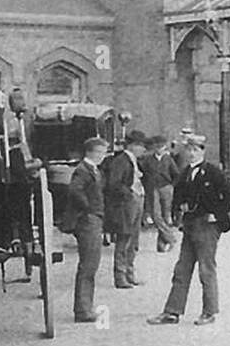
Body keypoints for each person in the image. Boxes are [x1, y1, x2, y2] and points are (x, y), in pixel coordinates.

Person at [148, 133, 230, 327]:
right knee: (182, 269)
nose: (191, 153)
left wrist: (218, 214)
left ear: (203, 151)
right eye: (189, 149)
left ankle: (209, 311)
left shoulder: (213, 172)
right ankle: (172, 312)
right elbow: (178, 197)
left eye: (196, 150)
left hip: (207, 227)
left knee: (206, 270)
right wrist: (177, 214)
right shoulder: (185, 173)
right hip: (190, 226)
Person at [62, 136, 108, 323]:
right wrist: (88, 209)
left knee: (91, 264)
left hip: (92, 220)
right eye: (102, 152)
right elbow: (74, 190)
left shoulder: (91, 170)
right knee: (88, 265)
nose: (104, 156)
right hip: (88, 221)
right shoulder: (83, 170)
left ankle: (85, 307)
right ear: (94, 152)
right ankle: (82, 310)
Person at [104, 130, 147, 288]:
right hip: (126, 203)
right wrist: (128, 193)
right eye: (141, 146)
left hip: (136, 200)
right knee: (124, 238)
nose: (143, 149)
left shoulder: (132, 160)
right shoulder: (121, 161)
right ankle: (120, 276)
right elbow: (113, 184)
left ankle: (129, 273)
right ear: (133, 145)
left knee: (133, 239)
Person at [140, 135, 178, 252]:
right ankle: (171, 238)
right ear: (154, 147)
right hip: (153, 188)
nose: (159, 149)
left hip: (166, 188)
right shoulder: (147, 160)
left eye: (162, 147)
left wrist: (172, 186)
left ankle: (161, 245)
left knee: (166, 216)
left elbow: (176, 174)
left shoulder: (168, 159)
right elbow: (142, 173)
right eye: (157, 147)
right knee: (156, 215)